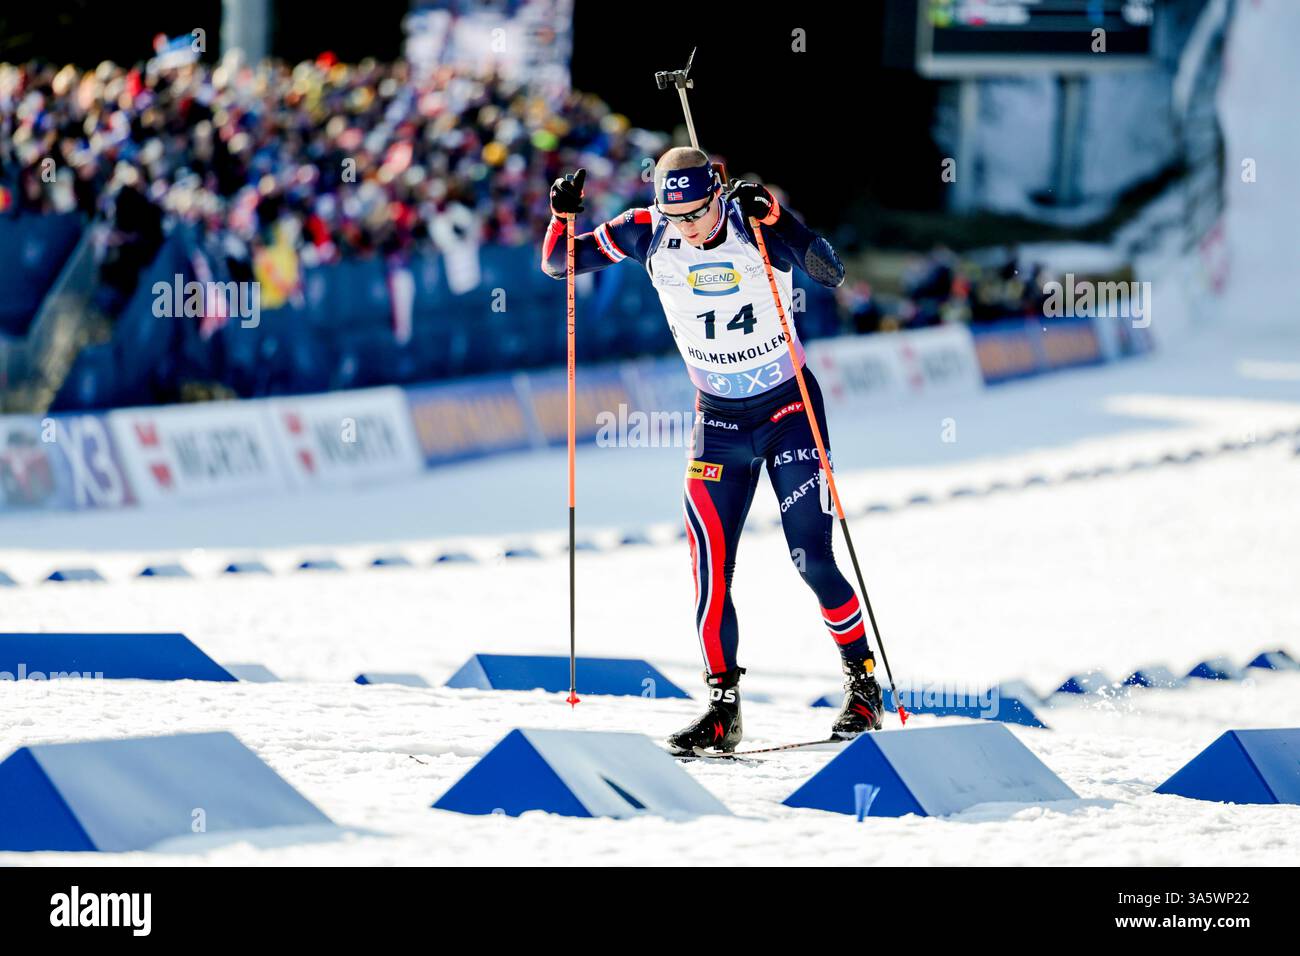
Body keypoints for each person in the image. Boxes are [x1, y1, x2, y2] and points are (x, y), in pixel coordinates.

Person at [541, 147, 884, 754]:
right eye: (677, 216)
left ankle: (863, 686)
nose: (689, 229)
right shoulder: (648, 230)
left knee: (810, 557)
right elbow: (558, 266)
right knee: (710, 570)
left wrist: (778, 218)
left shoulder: (752, 224)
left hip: (789, 412)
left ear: (717, 196)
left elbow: (829, 272)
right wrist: (562, 217)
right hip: (719, 423)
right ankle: (723, 708)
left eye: (697, 214)